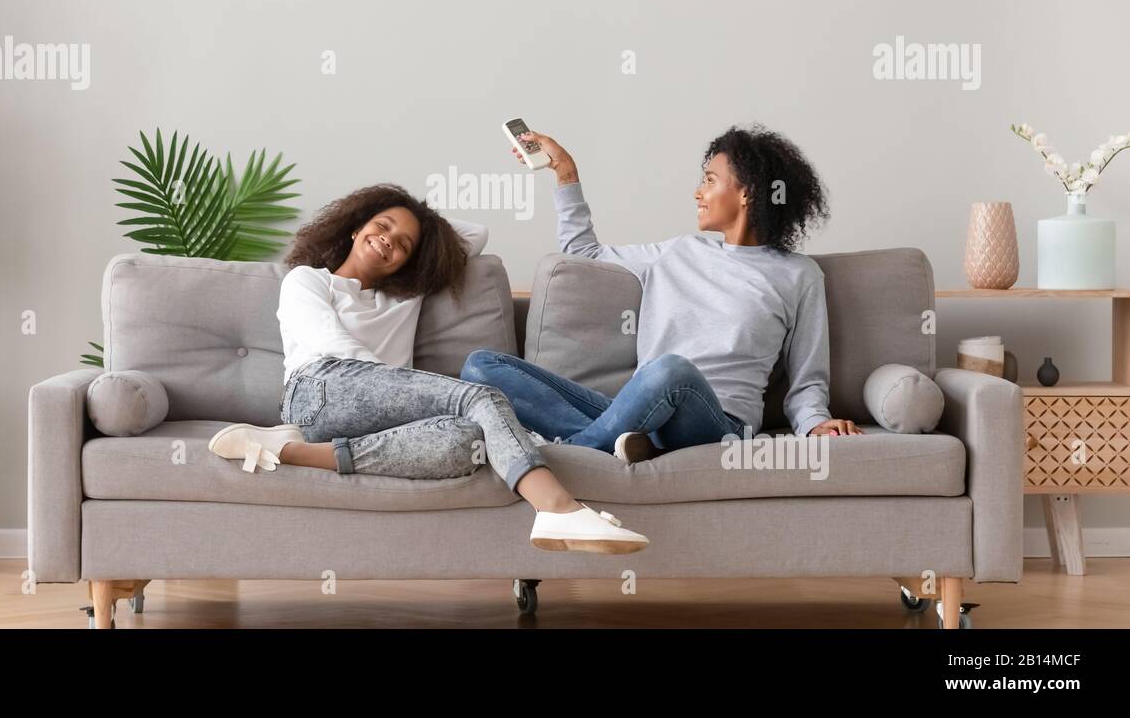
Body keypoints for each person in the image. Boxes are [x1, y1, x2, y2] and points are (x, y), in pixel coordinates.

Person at [207, 183, 649, 554]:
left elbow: (475, 234)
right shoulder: (308, 279)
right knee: (479, 398)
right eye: (382, 226)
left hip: (372, 421)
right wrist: (408, 390)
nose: (389, 241)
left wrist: (422, 235)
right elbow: (334, 349)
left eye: (404, 245)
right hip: (318, 391)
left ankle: (290, 452)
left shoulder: (405, 296)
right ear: (356, 225)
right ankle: (558, 509)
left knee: (468, 440)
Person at [461, 123, 862, 464]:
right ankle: (617, 444)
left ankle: (579, 455)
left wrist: (815, 425)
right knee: (482, 366)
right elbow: (583, 254)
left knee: (671, 370)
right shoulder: (677, 252)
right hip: (643, 414)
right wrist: (565, 172)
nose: (697, 192)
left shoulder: (799, 275)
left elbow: (808, 378)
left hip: (718, 425)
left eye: (710, 180)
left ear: (748, 193)